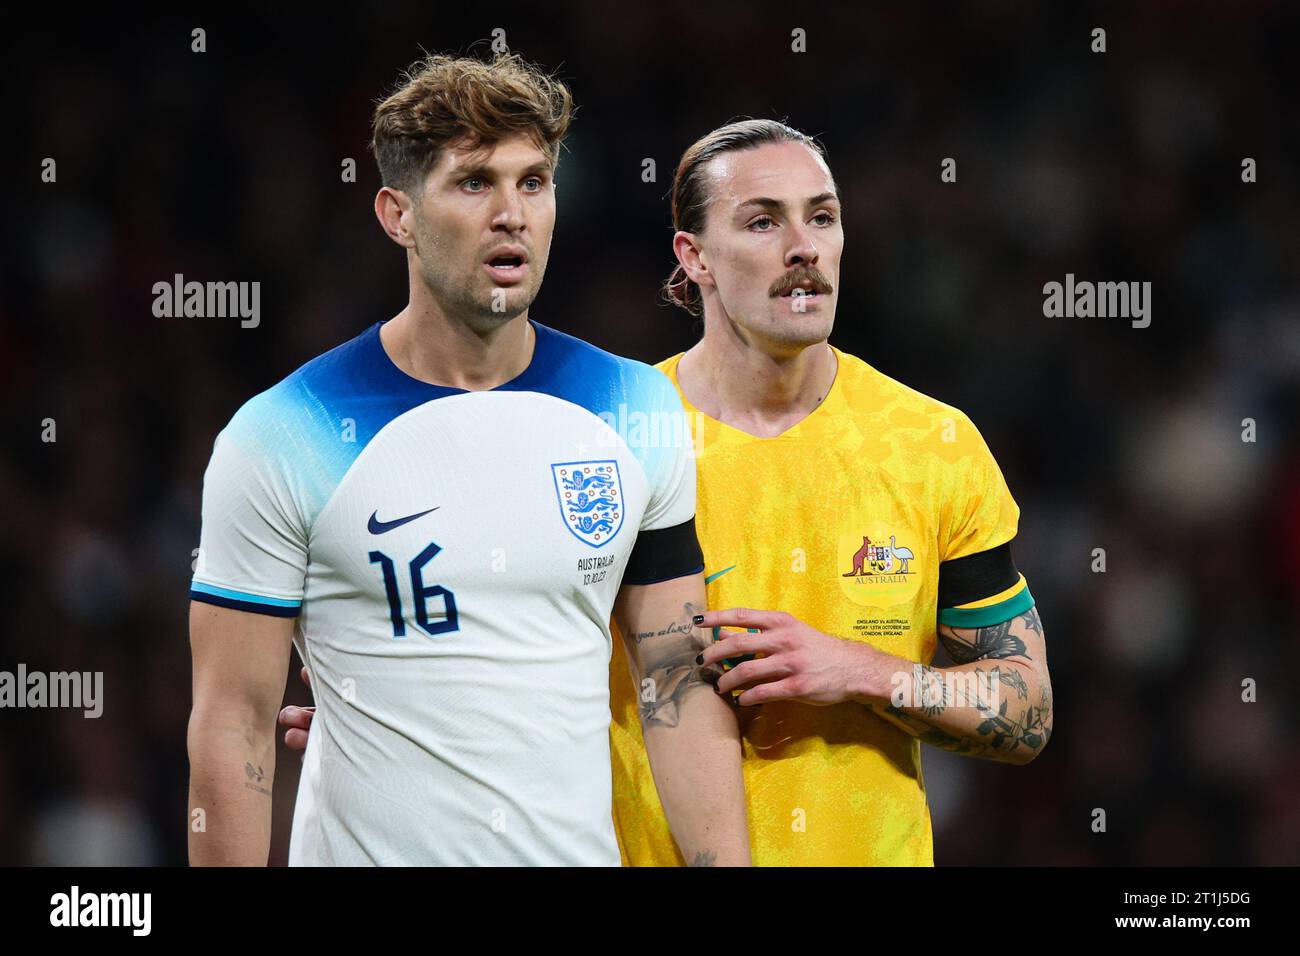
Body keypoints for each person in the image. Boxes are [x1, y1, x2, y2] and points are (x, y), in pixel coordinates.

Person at [283, 117, 1055, 866]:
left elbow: (1027, 709)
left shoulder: (932, 444)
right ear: (695, 256)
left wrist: (862, 671)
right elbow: (491, 655)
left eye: (822, 217)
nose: (803, 247)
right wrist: (392, 718)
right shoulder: (601, 440)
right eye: (762, 222)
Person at [187, 53, 750, 867]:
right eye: (474, 183)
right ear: (398, 215)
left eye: (533, 182)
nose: (511, 214)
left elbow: (674, 683)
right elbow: (233, 725)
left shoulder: (636, 409)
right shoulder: (281, 435)